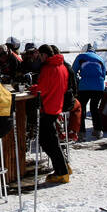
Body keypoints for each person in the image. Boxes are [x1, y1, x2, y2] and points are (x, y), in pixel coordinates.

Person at [32, 44, 71, 183]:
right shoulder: (62, 66)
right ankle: (64, 166)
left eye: (39, 55)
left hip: (47, 107)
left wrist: (33, 88)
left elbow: (41, 89)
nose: (39, 58)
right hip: (56, 105)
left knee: (47, 141)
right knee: (52, 140)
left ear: (45, 55)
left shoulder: (48, 68)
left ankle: (62, 171)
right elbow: (64, 86)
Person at [72, 44, 107, 139]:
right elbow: (103, 74)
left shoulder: (81, 57)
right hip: (99, 86)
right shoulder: (100, 58)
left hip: (84, 86)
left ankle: (81, 132)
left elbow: (73, 71)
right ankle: (98, 131)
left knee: (82, 108)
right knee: (94, 108)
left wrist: (78, 81)